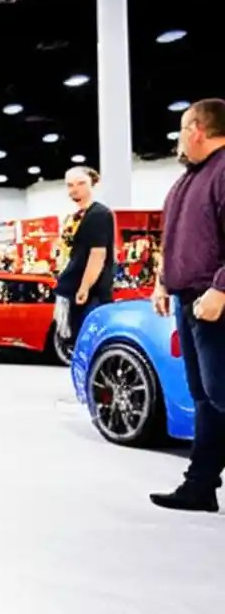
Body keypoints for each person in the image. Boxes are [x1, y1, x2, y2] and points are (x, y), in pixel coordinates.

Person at [150, 98, 225, 513]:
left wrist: (221, 288)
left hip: (214, 301)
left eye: (182, 128)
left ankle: (200, 481)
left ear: (198, 128)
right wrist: (162, 282)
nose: (179, 137)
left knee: (220, 393)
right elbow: (175, 240)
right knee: (205, 396)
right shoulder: (188, 179)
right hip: (188, 300)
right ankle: (200, 485)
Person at [53, 167, 115, 347]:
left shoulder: (98, 214)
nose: (74, 189)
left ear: (92, 184)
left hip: (91, 293)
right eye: (70, 185)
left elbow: (98, 254)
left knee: (89, 340)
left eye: (81, 183)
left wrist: (85, 287)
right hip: (73, 287)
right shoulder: (76, 217)